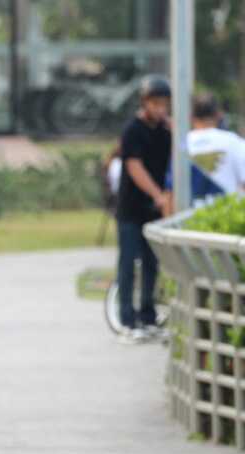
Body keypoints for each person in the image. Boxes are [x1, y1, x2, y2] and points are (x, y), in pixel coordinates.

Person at [115, 75, 172, 343]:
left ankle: (147, 316)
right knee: (128, 264)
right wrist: (157, 195)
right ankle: (127, 319)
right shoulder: (133, 130)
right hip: (131, 209)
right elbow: (134, 167)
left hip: (154, 211)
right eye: (156, 103)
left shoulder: (164, 131)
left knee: (151, 264)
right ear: (145, 102)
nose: (161, 109)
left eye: (165, 104)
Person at [187, 94, 245, 204]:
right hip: (228, 216)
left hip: (188, 218)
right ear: (218, 115)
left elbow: (170, 192)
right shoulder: (234, 141)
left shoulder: (182, 144)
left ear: (191, 117)